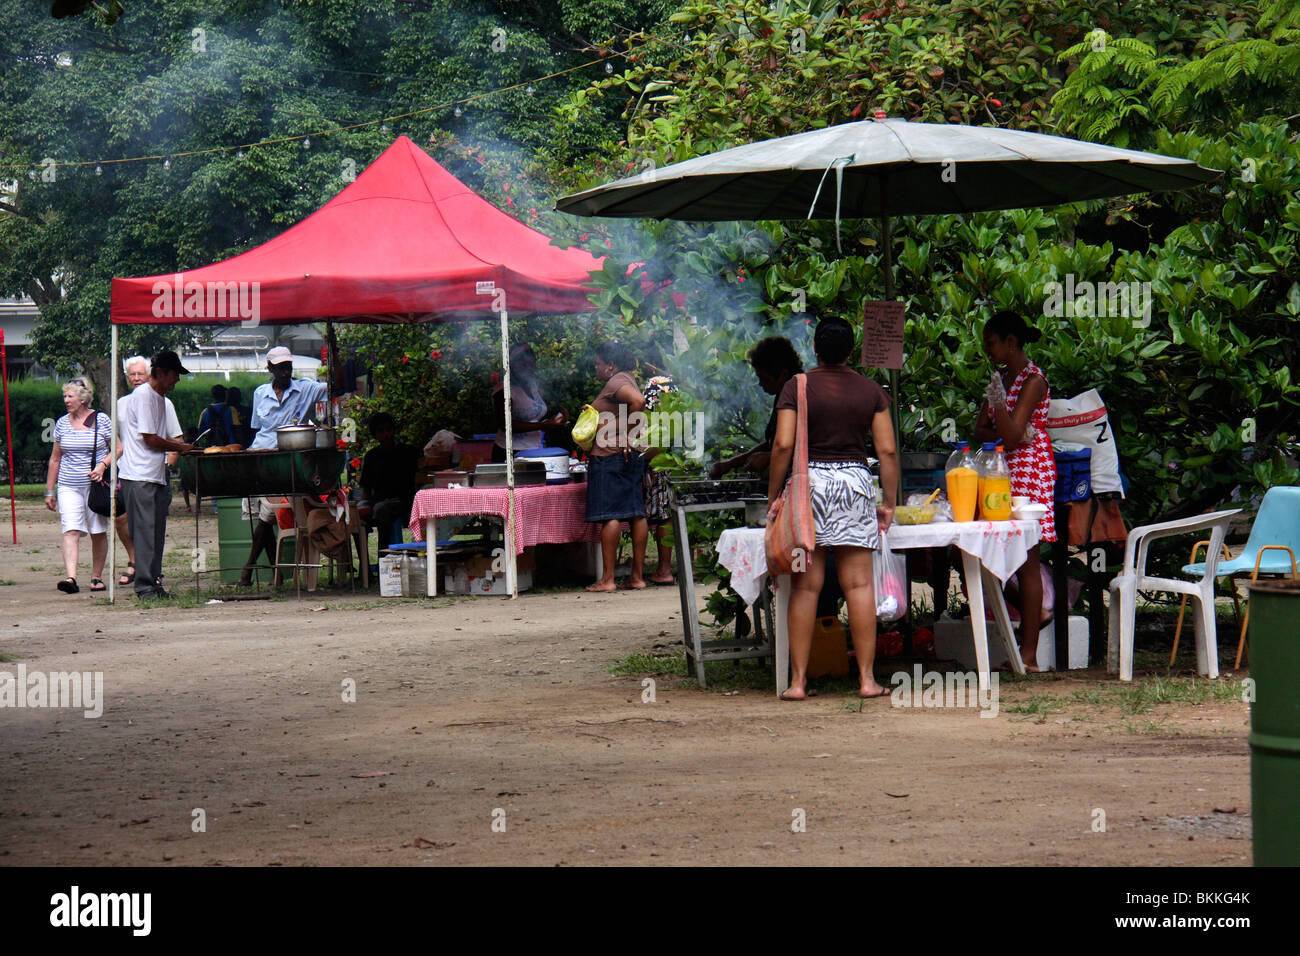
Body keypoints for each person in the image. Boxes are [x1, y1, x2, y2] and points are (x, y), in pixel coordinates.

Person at [768, 315, 898, 701]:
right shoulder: (871, 390)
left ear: (815, 349)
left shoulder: (798, 386)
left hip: (809, 486)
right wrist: (888, 502)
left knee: (806, 586)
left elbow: (783, 445)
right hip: (855, 485)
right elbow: (887, 450)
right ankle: (867, 680)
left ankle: (797, 682)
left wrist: (775, 495)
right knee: (858, 584)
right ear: (852, 351)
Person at [974, 310, 1057, 671]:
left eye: (991, 344)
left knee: (1027, 559)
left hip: (1029, 471)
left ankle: (1030, 656)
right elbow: (980, 431)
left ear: (1011, 342)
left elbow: (1007, 434)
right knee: (995, 552)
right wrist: (1005, 430)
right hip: (1002, 468)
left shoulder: (1033, 380)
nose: (987, 350)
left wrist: (1000, 416)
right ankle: (1033, 617)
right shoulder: (1002, 379)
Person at [238, 347, 329, 586]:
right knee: (259, 517)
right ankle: (274, 572)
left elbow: (336, 386)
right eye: (280, 367)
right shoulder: (261, 393)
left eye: (288, 366)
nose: (285, 371)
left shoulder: (306, 388)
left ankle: (250, 571)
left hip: (287, 463)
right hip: (259, 458)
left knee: (266, 516)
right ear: (270, 368)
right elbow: (258, 428)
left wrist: (334, 356)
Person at [119, 350, 193, 599]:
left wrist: (181, 446)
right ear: (160, 373)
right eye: (174, 375)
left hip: (155, 473)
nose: (177, 381)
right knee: (144, 532)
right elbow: (150, 439)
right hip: (139, 475)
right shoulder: (143, 396)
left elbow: (158, 435)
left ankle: (154, 582)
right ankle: (144, 586)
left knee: (156, 532)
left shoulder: (159, 398)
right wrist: (179, 447)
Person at [584, 341, 648, 592]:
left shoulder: (616, 382)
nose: (596, 368)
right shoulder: (627, 378)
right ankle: (637, 577)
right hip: (630, 456)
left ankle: (608, 579)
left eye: (598, 364)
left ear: (610, 365)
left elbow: (638, 402)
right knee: (635, 512)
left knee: (610, 515)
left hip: (611, 456)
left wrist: (626, 436)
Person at [44, 378, 113, 593]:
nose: (66, 400)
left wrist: (102, 466)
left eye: (70, 396)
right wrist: (50, 490)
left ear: (83, 399)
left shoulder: (101, 420)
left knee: (97, 531)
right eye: (65, 396)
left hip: (95, 486)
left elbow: (119, 448)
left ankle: (96, 577)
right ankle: (71, 577)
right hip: (68, 485)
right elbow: (55, 459)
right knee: (70, 530)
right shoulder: (62, 423)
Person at [711, 335, 804, 480]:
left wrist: (768, 458)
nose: (761, 384)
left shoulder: (802, 397)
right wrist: (728, 464)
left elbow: (807, 450)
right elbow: (771, 444)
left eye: (765, 379)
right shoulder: (783, 395)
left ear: (783, 374)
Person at [640, 345, 678, 585]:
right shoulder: (679, 382)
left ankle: (664, 570)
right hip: (679, 453)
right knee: (675, 511)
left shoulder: (655, 383)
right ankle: (684, 566)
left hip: (661, 454)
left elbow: (647, 415)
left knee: (663, 514)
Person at [491, 344, 565, 462]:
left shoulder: (533, 386)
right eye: (524, 364)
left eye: (532, 364)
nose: (529, 368)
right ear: (513, 366)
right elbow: (505, 424)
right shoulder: (504, 389)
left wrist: (557, 414)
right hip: (510, 452)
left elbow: (533, 413)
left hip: (533, 449)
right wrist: (544, 425)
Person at [358, 412, 420, 551]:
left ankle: (385, 553)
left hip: (402, 501)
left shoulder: (407, 452)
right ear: (375, 435)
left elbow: (414, 482)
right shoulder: (371, 456)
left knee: (381, 509)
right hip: (376, 500)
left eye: (388, 430)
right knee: (355, 517)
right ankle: (365, 565)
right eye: (381, 431)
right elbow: (366, 488)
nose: (386, 434)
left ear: (393, 431)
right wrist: (363, 507)